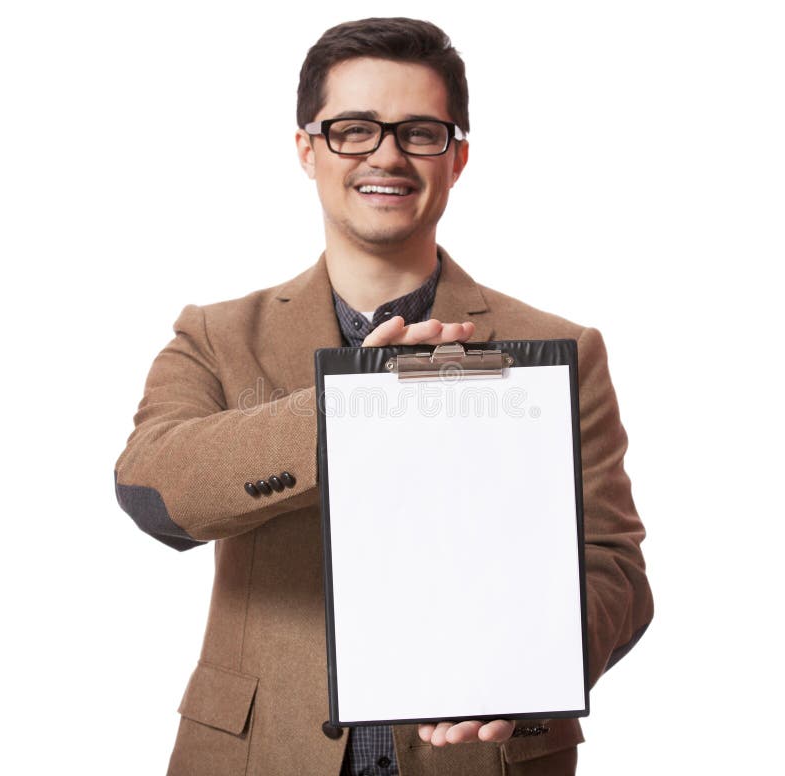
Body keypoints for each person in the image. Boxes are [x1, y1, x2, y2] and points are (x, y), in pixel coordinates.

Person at [114, 17, 653, 776]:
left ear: (458, 156)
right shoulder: (216, 335)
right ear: (307, 149)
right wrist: (346, 409)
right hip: (257, 754)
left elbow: (616, 570)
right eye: (354, 131)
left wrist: (538, 668)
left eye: (419, 132)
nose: (388, 156)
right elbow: (151, 491)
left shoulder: (560, 350)